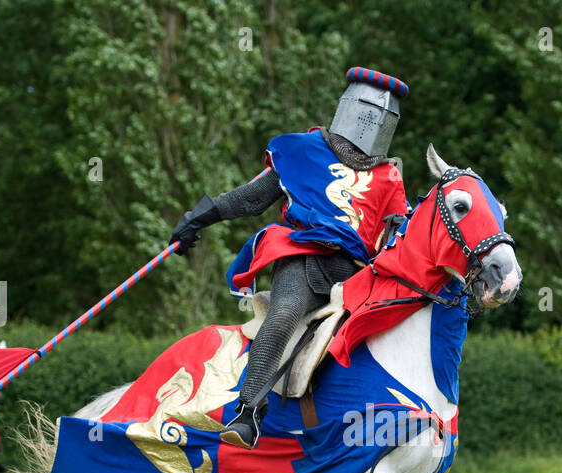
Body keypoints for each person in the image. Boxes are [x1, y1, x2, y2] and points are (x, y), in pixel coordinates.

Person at [170, 67, 412, 450]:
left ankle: (415, 448)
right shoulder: (302, 150)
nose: (375, 119)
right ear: (349, 107)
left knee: (404, 331)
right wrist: (200, 216)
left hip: (354, 274)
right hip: (302, 259)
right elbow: (251, 198)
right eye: (369, 109)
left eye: (385, 114)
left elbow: (402, 231)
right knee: (284, 313)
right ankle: (247, 411)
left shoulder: (388, 176)